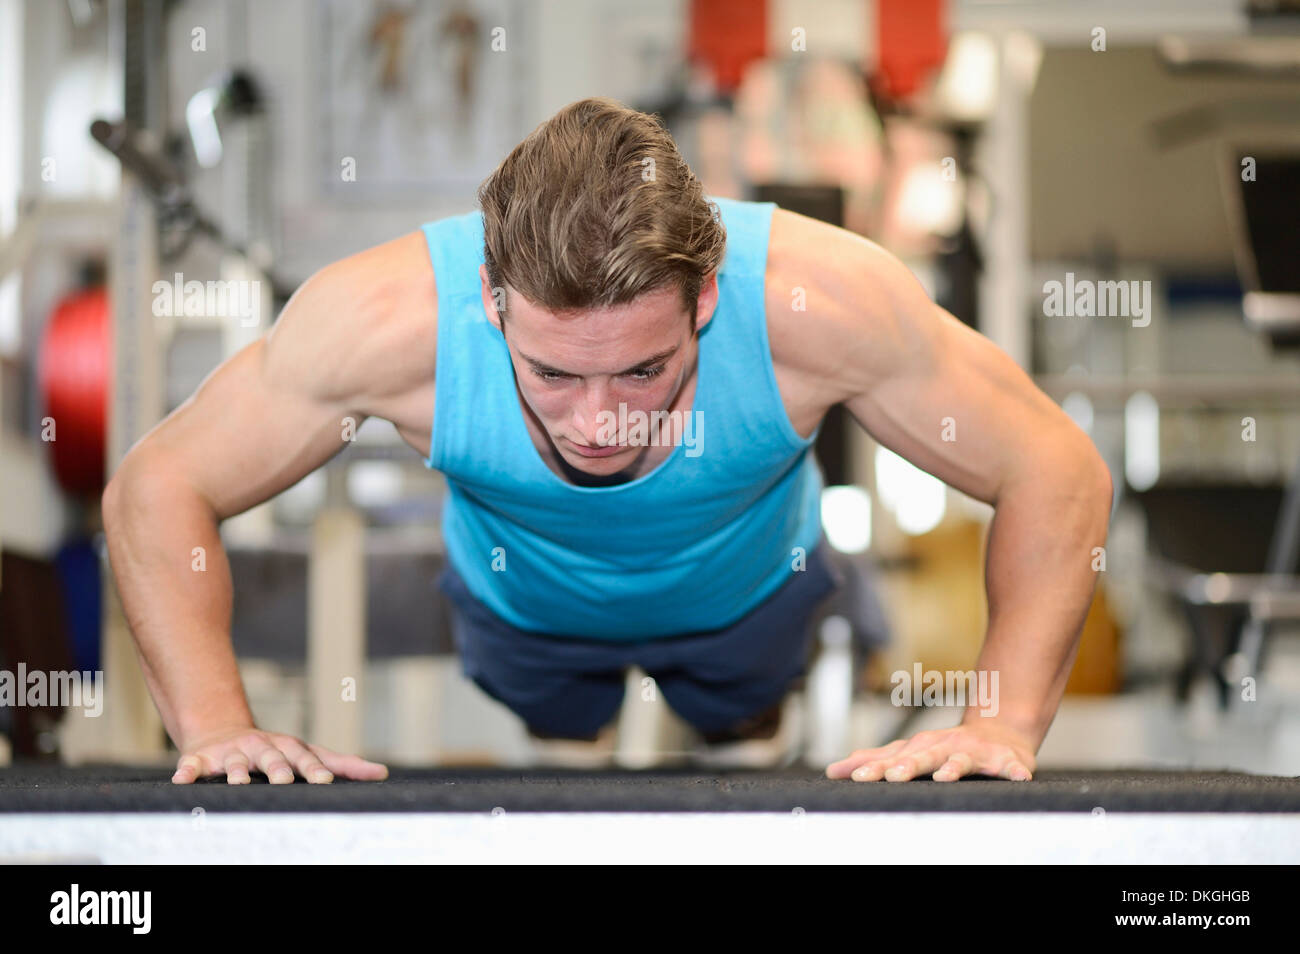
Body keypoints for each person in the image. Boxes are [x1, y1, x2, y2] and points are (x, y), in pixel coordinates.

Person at [102, 97, 1112, 786]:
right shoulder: (384, 324)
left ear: (705, 298)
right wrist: (216, 727)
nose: (600, 423)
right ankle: (581, 710)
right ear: (493, 305)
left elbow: (1054, 469)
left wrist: (1002, 724)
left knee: (743, 720)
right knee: (560, 729)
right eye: (552, 374)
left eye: (641, 370)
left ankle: (738, 715)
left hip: (748, 604)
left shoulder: (822, 302)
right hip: (523, 612)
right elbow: (157, 487)